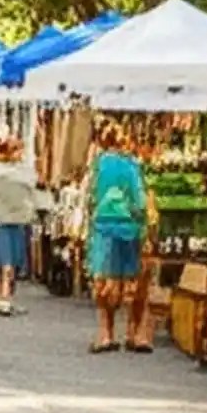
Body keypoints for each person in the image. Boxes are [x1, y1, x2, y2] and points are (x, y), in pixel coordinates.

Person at [85, 123, 150, 354]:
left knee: (105, 281)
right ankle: (134, 333)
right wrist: (144, 222)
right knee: (132, 281)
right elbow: (139, 198)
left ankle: (105, 332)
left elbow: (90, 196)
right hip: (130, 226)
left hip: (103, 225)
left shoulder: (98, 166)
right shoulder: (132, 165)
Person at [0, 137, 38, 316]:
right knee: (9, 261)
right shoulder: (21, 173)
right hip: (12, 220)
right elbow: (30, 190)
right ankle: (4, 296)